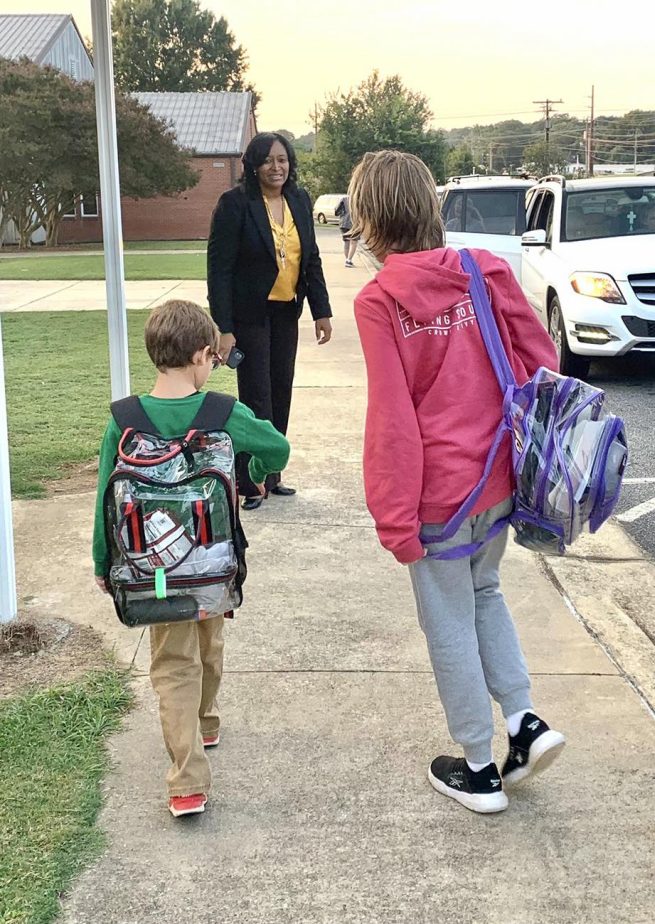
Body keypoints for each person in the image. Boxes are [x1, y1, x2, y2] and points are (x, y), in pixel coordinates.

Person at [349, 150, 566, 815]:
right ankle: (523, 722)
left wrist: (394, 515)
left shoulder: (380, 300)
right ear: (428, 206)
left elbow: (393, 416)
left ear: (369, 218)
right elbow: (543, 361)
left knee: (447, 618)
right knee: (485, 590)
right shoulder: (484, 271)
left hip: (439, 494)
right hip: (500, 478)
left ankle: (479, 767)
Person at [92, 299, 291, 817]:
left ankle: (187, 776)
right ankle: (202, 728)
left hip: (152, 575)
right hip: (215, 567)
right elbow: (278, 449)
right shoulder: (223, 413)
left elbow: (103, 499)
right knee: (209, 642)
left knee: (173, 661)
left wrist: (102, 564)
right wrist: (257, 473)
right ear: (203, 356)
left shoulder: (125, 418)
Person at [207, 131, 333, 510]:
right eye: (268, 160)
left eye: (282, 159)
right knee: (256, 398)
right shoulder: (234, 204)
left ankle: (273, 473)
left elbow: (310, 258)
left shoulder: (298, 199)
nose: (276, 167)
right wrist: (224, 327)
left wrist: (321, 310)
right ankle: (249, 482)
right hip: (249, 316)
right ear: (254, 165)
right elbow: (220, 269)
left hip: (285, 312)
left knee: (281, 392)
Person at [335, 194, 359, 267]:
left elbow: (336, 211)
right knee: (353, 243)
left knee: (346, 242)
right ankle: (349, 260)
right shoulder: (359, 200)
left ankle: (347, 260)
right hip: (354, 223)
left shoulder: (344, 199)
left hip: (344, 223)